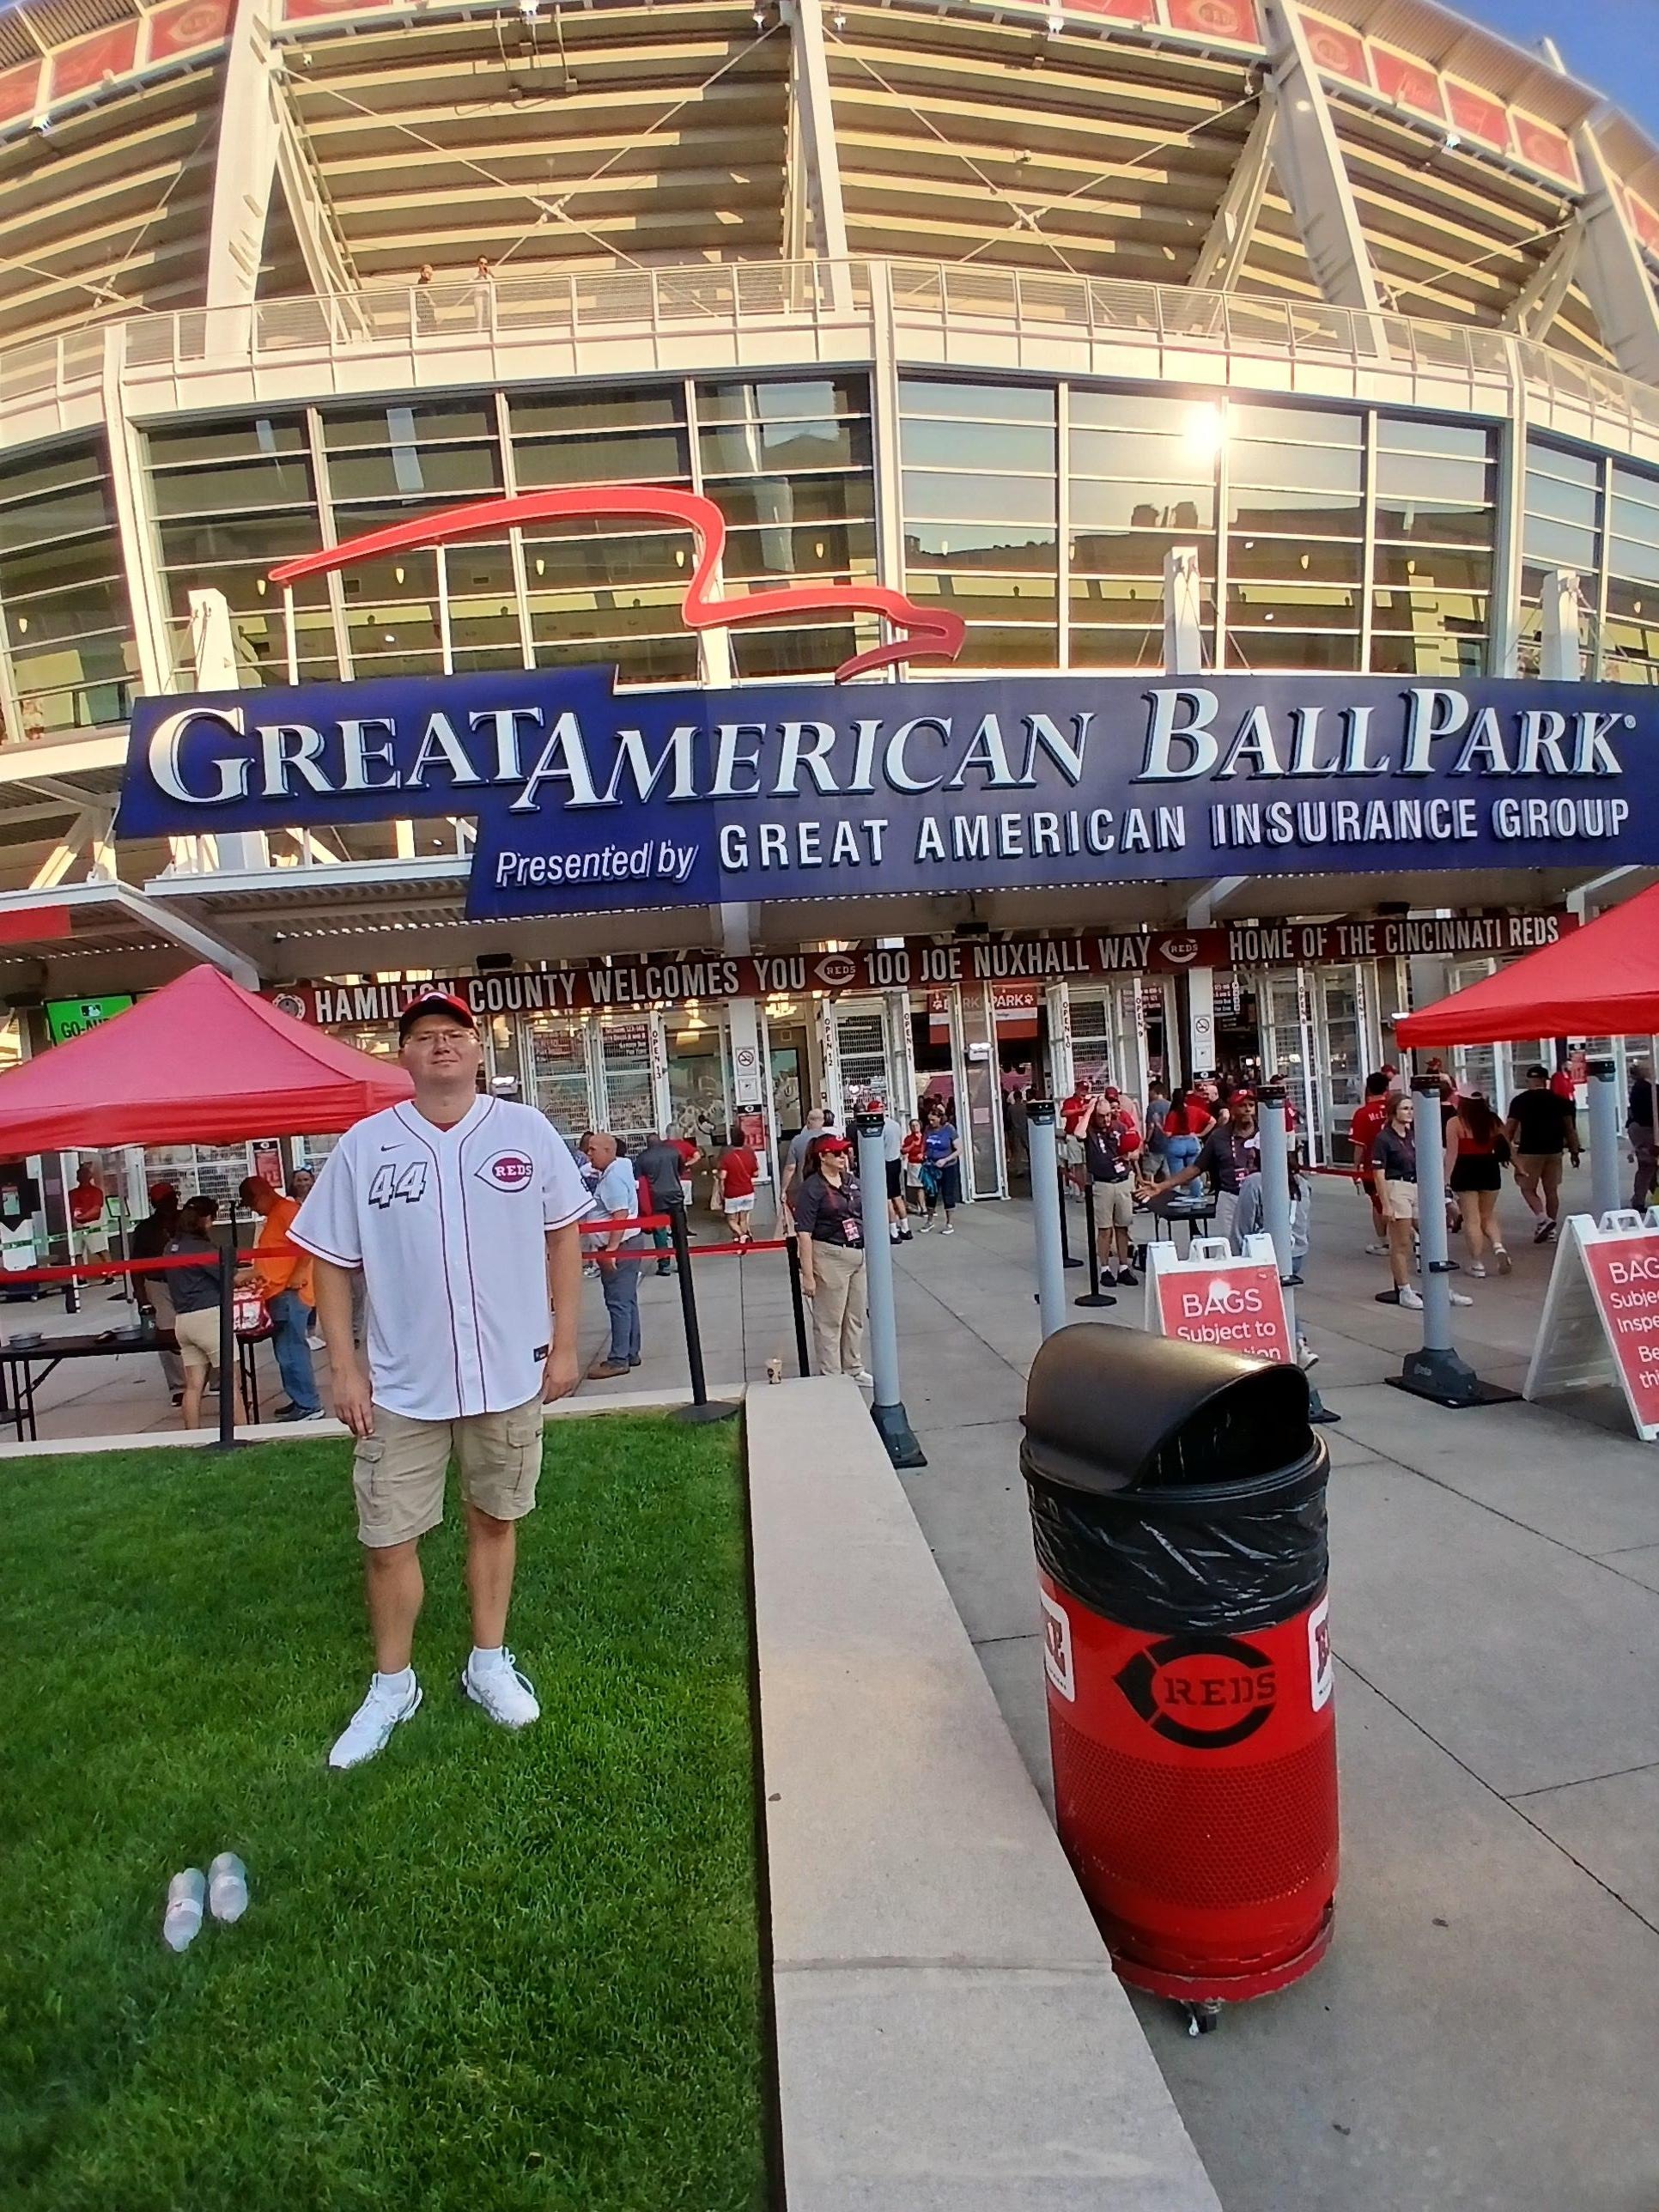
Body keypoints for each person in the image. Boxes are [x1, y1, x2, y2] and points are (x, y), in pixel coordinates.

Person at [289, 990, 592, 1771]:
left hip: (509, 1371)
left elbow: (564, 1237)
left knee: (495, 1517)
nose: (442, 1046)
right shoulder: (366, 1145)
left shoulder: (523, 1132)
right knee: (388, 1538)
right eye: (424, 1036)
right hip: (400, 1384)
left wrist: (564, 1345)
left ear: (479, 1048)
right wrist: (343, 1365)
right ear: (405, 1056)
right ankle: (394, 1685)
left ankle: (487, 1661)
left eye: (455, 1034)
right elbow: (329, 1257)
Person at [1375, 1091, 1474, 1311]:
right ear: (1393, 1111)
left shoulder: (1413, 1135)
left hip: (1417, 1186)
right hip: (1397, 1186)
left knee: (1431, 1238)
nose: (1409, 1113)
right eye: (1404, 1108)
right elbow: (1379, 1173)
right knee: (1401, 1243)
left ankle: (1439, 1287)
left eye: (1411, 1108)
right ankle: (1405, 1290)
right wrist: (1386, 1204)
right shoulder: (1384, 1138)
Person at [238, 1175, 322, 1422]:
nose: (253, 1209)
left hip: (290, 1292)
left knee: (291, 1350)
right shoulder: (277, 1215)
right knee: (285, 1350)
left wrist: (297, 1275)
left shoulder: (287, 1211)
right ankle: (300, 1398)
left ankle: (308, 1404)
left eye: (252, 1203)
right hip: (278, 1291)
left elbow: (309, 1242)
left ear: (262, 1194)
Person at [165, 1195, 248, 1431]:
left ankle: (192, 1435)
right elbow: (232, 1279)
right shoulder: (202, 1248)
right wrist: (260, 1271)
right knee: (232, 1382)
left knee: (193, 1386)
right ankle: (243, 1432)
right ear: (204, 1220)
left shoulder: (170, 1247)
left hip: (183, 1320)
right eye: (212, 1219)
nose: (212, 1224)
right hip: (210, 1318)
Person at [792, 1133, 870, 1382]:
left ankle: (853, 1366)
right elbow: (804, 1233)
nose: (843, 1158)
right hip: (829, 1254)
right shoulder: (812, 1188)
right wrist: (808, 1275)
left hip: (856, 1252)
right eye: (836, 1154)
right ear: (822, 1157)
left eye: (844, 1153)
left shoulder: (850, 1181)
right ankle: (832, 1376)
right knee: (830, 1321)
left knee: (854, 1316)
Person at [1231, 1146, 1316, 1368]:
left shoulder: (1255, 1182)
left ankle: (1294, 1343)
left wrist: (1238, 1258)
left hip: (1265, 1252)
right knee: (1280, 1296)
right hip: (1296, 1252)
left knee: (1270, 1299)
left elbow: (1242, 1226)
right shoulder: (1301, 1183)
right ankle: (1295, 1343)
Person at [1140, 1090, 1261, 1241]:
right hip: (1231, 1197)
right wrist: (1162, 1186)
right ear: (1233, 1109)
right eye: (1242, 1105)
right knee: (1234, 1246)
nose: (1248, 1109)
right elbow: (1196, 1168)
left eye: (1251, 1105)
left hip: (1260, 1198)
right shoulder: (1219, 1137)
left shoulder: (1265, 1132)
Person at [582, 1131, 647, 1377]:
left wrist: (610, 1250)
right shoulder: (619, 1170)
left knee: (618, 1302)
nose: (589, 1155)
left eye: (592, 1150)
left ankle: (619, 1358)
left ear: (608, 1151)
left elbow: (619, 1215)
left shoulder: (612, 1180)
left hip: (621, 1245)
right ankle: (630, 1351)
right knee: (627, 1299)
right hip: (627, 1243)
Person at [1504, 1064, 1581, 1244]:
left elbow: (1509, 1128)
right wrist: (1574, 1151)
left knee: (1527, 1188)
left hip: (1529, 1151)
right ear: (1546, 1081)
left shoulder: (1520, 1101)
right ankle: (1551, 1230)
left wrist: (1505, 1151)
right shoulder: (1561, 1101)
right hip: (1554, 1151)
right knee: (1551, 1190)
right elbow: (1570, 1129)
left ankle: (1542, 1218)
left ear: (1529, 1080)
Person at [130, 1181, 186, 1402]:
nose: (171, 1204)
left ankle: (211, 1380)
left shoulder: (186, 1222)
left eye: (172, 1198)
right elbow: (136, 1266)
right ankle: (179, 1387)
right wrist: (141, 1297)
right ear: (154, 1203)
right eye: (165, 1201)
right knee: (166, 1334)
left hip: (187, 1282)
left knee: (196, 1328)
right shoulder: (145, 1229)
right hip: (158, 1284)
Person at [1445, 1093, 1511, 1278]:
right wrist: (1520, 1168)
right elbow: (1508, 1148)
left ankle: (1477, 1264)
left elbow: (1452, 1154)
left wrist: (1445, 1178)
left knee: (1471, 1219)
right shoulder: (1493, 1121)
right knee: (1488, 1215)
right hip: (1489, 1168)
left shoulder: (1455, 1123)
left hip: (1465, 1170)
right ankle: (1498, 1246)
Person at [1083, 1091, 1140, 1288]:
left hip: (1122, 1179)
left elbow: (1135, 1150)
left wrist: (1129, 1155)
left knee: (1123, 1226)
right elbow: (1078, 1133)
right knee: (1104, 1229)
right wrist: (1090, 1108)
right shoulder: (1090, 1130)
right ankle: (1105, 1268)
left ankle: (1124, 1267)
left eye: (1108, 1115)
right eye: (1102, 1116)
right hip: (1103, 1183)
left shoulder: (1120, 1127)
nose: (1106, 1119)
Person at [1350, 1071, 1396, 1256]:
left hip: (1373, 1167)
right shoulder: (1396, 1109)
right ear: (1387, 1088)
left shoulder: (1362, 1114)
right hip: (1400, 1164)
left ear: (1368, 1088)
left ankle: (1385, 1242)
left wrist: (1355, 1168)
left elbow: (1359, 1145)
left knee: (1378, 1205)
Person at [634, 1129, 690, 1275]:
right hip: (675, 1192)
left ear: (648, 1144)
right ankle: (682, 1261)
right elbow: (680, 1170)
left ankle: (664, 1264)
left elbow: (639, 1181)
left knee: (660, 1231)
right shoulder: (673, 1152)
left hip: (656, 1196)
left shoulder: (642, 1158)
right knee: (679, 1229)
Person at [869, 1097, 909, 1244]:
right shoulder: (895, 1124)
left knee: (886, 1199)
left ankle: (893, 1231)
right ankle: (905, 1228)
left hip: (884, 1163)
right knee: (897, 1196)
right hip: (895, 1161)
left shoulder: (879, 1128)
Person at [918, 1100, 962, 1232]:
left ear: (940, 1118)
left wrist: (945, 1159)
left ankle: (949, 1223)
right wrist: (923, 1154)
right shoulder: (928, 1129)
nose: (931, 1123)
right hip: (931, 1165)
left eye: (933, 1120)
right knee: (931, 1193)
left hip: (947, 1166)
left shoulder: (949, 1129)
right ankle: (930, 1220)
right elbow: (925, 1144)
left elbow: (959, 1149)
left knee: (948, 1193)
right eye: (929, 1120)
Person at [781, 1107, 827, 1223]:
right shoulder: (830, 1140)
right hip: (828, 1185)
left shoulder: (797, 1140)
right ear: (823, 1121)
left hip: (805, 1187)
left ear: (808, 1122)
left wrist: (783, 1190)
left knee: (807, 1220)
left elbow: (790, 1167)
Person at [716, 1127, 757, 1248]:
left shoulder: (727, 1158)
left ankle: (741, 1235)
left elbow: (723, 1176)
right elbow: (755, 1173)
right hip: (748, 1191)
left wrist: (718, 1175)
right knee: (743, 1219)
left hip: (732, 1193)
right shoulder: (749, 1155)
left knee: (732, 1220)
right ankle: (745, 1238)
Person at [1159, 1085, 1212, 1176]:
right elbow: (1212, 1121)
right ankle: (1197, 1190)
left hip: (1176, 1144)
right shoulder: (1194, 1110)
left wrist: (1159, 1125)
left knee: (1176, 1177)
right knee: (1194, 1174)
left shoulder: (1173, 1113)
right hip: (1192, 1141)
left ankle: (1176, 1190)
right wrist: (1201, 1134)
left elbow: (1168, 1134)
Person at [1628, 1061, 1657, 1215]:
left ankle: (1648, 1195)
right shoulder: (1648, 1089)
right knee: (1648, 1165)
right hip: (1648, 1130)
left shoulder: (1638, 1089)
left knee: (1649, 1166)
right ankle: (1639, 1200)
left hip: (1638, 1128)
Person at [69, 1162, 107, 1261]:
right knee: (77, 1254)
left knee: (101, 1250)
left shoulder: (96, 1191)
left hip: (93, 1225)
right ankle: (80, 1276)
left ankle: (110, 1274)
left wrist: (82, 1217)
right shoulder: (72, 1193)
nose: (82, 1177)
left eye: (85, 1174)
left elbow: (96, 1209)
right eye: (80, 1174)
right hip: (77, 1226)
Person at [902, 1117, 925, 1215]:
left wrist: (924, 1154)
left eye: (917, 1125)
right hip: (914, 1164)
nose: (915, 1127)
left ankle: (924, 1206)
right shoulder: (908, 1139)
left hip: (925, 1164)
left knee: (926, 1186)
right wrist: (912, 1145)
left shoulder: (925, 1137)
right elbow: (903, 1151)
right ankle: (923, 1208)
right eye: (913, 1126)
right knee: (919, 1187)